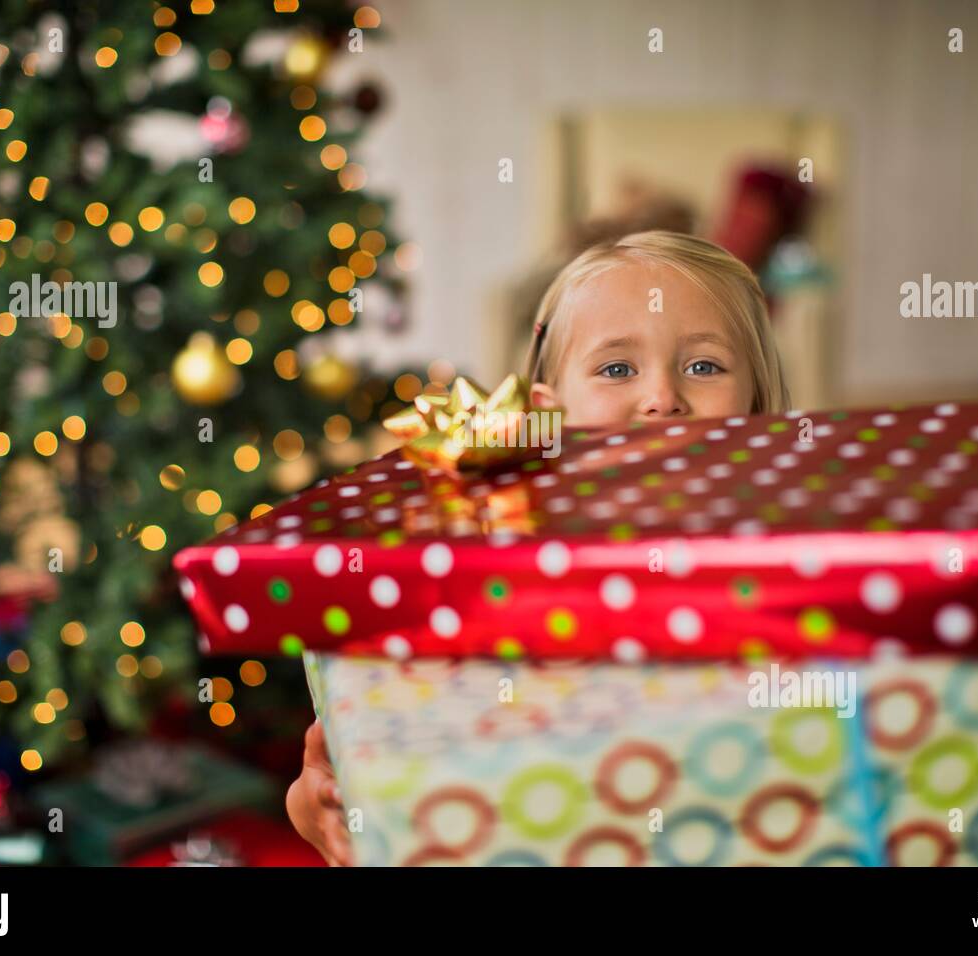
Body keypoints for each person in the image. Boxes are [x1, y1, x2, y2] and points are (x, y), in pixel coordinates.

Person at [286, 230, 789, 865]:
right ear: (550, 416)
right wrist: (317, 802)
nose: (663, 398)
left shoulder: (786, 567)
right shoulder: (496, 559)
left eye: (704, 366)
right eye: (616, 369)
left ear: (757, 410)